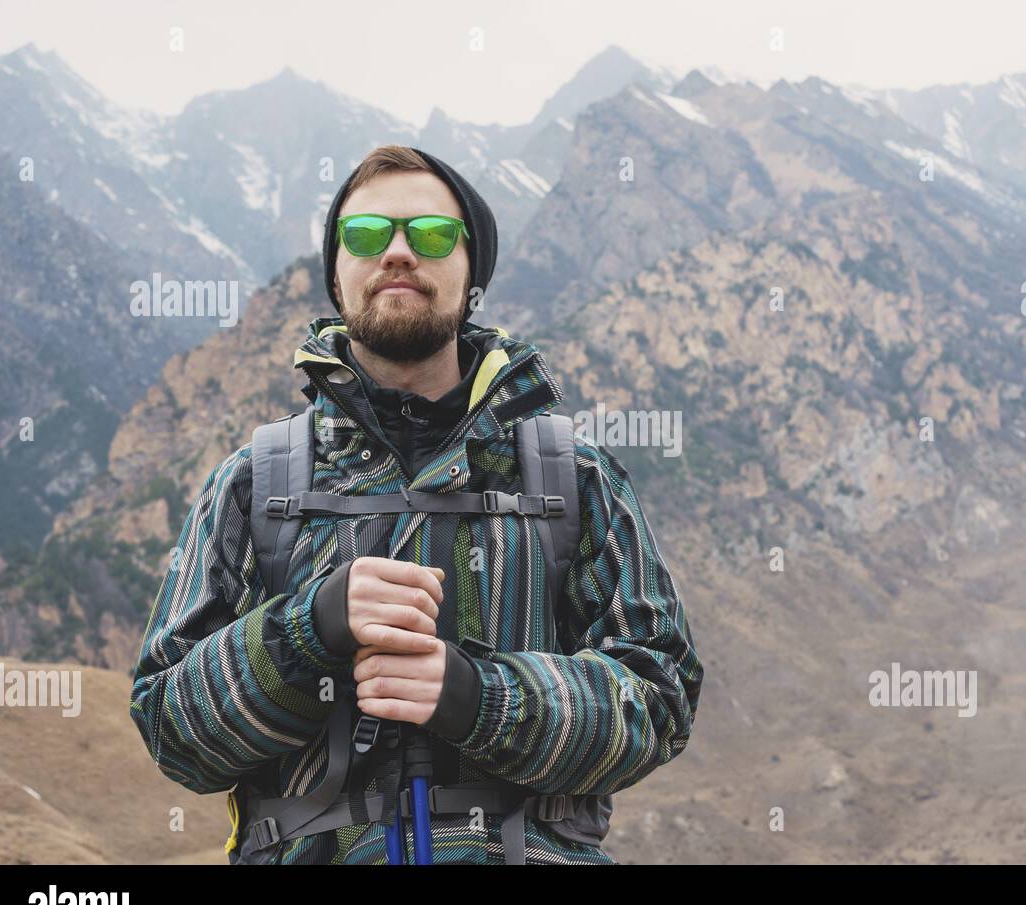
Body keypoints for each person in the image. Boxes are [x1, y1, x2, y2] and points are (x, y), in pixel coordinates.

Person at [129, 145, 703, 865]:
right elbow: (172, 732)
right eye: (367, 235)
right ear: (337, 277)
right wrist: (310, 630)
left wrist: (479, 696)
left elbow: (661, 694)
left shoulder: (574, 479)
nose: (398, 252)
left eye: (431, 235)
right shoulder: (253, 485)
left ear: (473, 278)